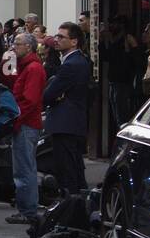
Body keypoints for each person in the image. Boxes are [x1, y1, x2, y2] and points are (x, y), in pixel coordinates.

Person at [43, 21, 91, 196]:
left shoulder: (72, 64)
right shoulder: (77, 61)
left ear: (74, 41)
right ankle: (77, 201)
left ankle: (72, 203)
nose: (56, 40)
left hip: (66, 124)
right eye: (56, 36)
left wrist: (55, 95)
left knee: (68, 170)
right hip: (71, 122)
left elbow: (49, 94)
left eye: (61, 37)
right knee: (73, 168)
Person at [8, 32, 47, 225]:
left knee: (24, 168)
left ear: (29, 47)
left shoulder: (33, 68)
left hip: (26, 123)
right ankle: (25, 208)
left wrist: (16, 118)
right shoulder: (27, 66)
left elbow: (29, 100)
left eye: (18, 44)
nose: (14, 47)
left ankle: (28, 210)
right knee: (23, 167)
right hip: (24, 122)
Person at [100, 16, 139, 134]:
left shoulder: (127, 39)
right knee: (117, 115)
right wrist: (101, 41)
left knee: (122, 116)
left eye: (113, 23)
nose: (111, 26)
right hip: (114, 81)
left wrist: (133, 47)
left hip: (123, 82)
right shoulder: (114, 40)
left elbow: (133, 61)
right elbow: (106, 57)